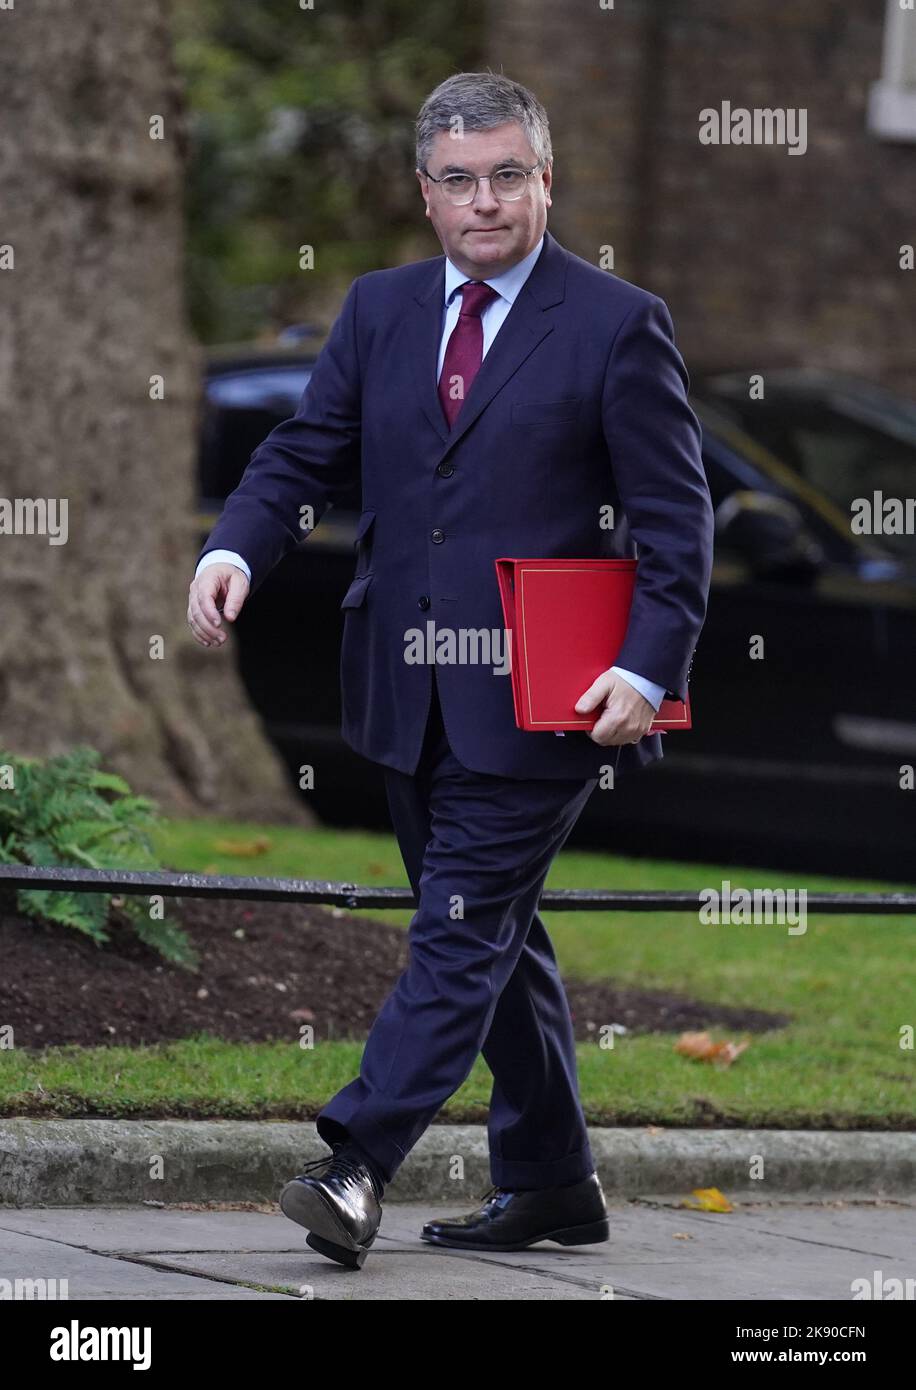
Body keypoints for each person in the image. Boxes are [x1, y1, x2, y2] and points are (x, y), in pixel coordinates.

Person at [188, 71, 714, 1270]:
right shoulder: (378, 309)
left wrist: (648, 666)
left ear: (544, 180)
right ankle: (552, 1184)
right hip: (404, 684)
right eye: (460, 181)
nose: (487, 203)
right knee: (495, 937)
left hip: (548, 699)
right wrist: (234, 547)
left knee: (457, 932)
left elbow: (676, 524)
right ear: (425, 193)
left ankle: (354, 1164)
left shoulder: (616, 321)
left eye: (509, 176)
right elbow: (305, 449)